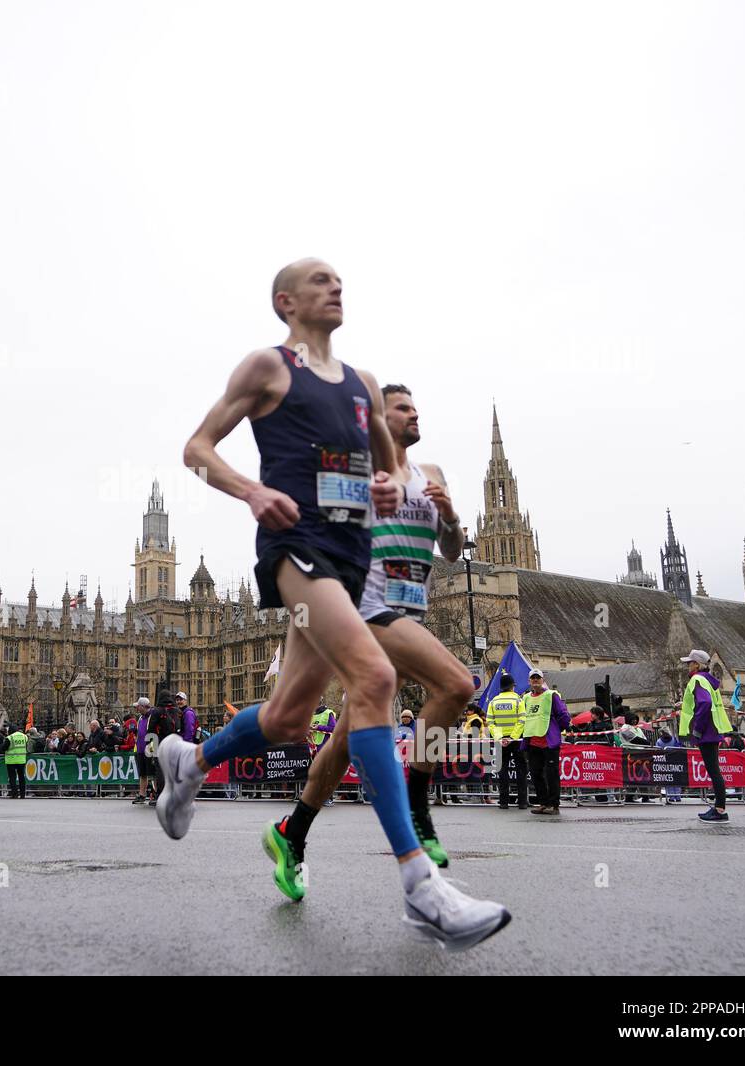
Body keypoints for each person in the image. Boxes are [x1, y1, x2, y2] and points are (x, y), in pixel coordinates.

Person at [162, 257, 509, 948]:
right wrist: (252, 492)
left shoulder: (360, 384)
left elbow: (385, 458)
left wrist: (386, 484)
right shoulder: (267, 368)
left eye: (339, 280)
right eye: (320, 281)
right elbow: (197, 448)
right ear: (287, 302)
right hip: (296, 546)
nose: (336, 286)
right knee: (378, 680)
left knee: (293, 718)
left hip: (347, 563)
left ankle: (190, 761)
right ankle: (419, 881)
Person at [263, 381, 476, 882]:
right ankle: (419, 810)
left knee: (342, 742)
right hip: (368, 608)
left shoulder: (431, 474)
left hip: (411, 613)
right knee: (457, 684)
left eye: (416, 406)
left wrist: (449, 515)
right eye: (403, 408)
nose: (414, 413)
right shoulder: (358, 470)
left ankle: (291, 832)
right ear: (380, 419)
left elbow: (451, 550)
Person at [677, 649, 732, 822]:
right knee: (715, 770)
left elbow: (705, 702)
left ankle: (720, 810)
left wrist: (697, 729)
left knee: (714, 771)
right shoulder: (707, 681)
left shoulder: (696, 679)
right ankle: (720, 808)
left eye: (689, 663)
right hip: (714, 729)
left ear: (696, 665)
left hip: (706, 731)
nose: (687, 666)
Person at [522, 670, 570, 815]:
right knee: (536, 774)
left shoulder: (551, 695)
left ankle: (554, 805)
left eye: (538, 678)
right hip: (533, 742)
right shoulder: (525, 698)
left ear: (543, 680)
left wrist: (559, 729)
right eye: (533, 678)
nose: (535, 680)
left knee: (551, 774)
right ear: (529, 681)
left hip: (549, 742)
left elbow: (563, 714)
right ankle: (543, 803)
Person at [486, 675, 528, 809]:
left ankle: (503, 802)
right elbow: (522, 720)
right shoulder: (518, 700)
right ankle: (522, 802)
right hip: (516, 740)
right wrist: (512, 737)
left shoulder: (493, 702)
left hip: (500, 741)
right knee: (521, 770)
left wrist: (500, 737)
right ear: (512, 686)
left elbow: (490, 722)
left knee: (502, 770)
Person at [147, 693, 180, 807]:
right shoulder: (176, 710)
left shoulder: (157, 711)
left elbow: (150, 729)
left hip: (160, 744)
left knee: (160, 771)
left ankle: (161, 796)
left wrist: (149, 744)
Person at [132, 698, 154, 804]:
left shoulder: (152, 717)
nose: (137, 708)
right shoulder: (140, 718)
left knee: (153, 773)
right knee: (142, 773)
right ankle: (142, 794)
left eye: (138, 706)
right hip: (140, 749)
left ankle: (155, 793)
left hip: (150, 749)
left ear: (143, 706)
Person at [5, 722, 29, 799]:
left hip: (11, 760)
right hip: (22, 760)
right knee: (22, 777)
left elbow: (4, 748)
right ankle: (22, 795)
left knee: (12, 778)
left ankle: (14, 794)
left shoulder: (9, 737)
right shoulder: (25, 736)